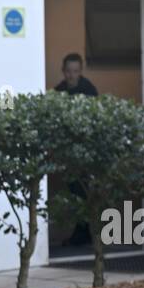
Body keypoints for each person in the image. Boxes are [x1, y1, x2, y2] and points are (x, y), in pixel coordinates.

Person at [53, 53, 98, 245]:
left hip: (85, 151)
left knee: (84, 192)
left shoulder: (88, 90)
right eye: (69, 71)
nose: (72, 75)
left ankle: (85, 234)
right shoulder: (59, 91)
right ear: (63, 71)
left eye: (75, 71)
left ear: (81, 71)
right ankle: (82, 233)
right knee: (74, 192)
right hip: (67, 152)